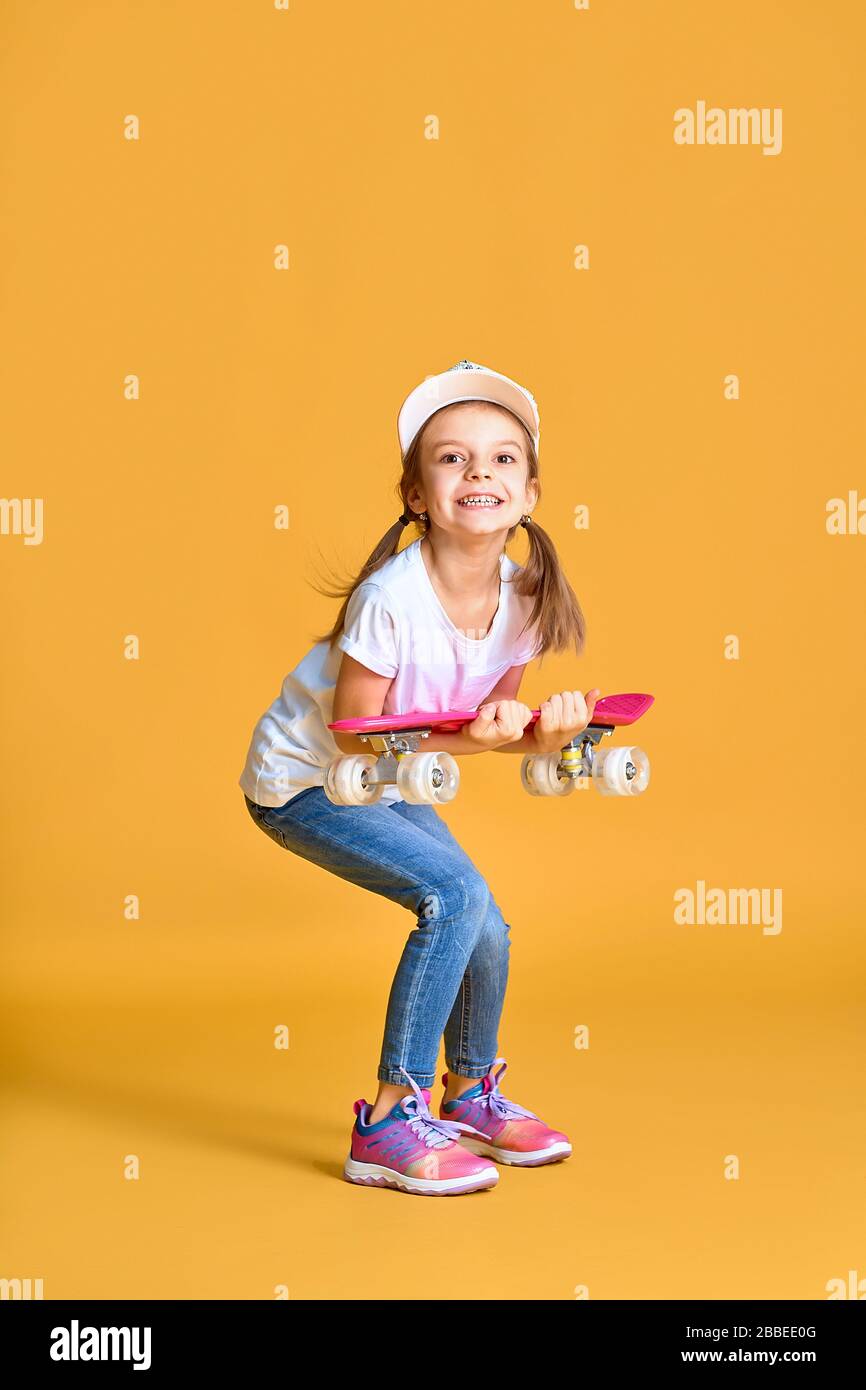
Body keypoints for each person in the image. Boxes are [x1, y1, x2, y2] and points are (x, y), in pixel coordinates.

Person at [239, 358, 600, 1197]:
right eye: (453, 458)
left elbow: (486, 726)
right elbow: (358, 739)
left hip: (392, 780)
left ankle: (469, 1093)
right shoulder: (390, 598)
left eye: (504, 458)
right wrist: (481, 733)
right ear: (415, 494)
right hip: (307, 784)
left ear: (532, 492)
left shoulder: (526, 599)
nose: (480, 471)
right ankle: (390, 1119)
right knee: (454, 897)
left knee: (487, 922)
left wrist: (547, 734)